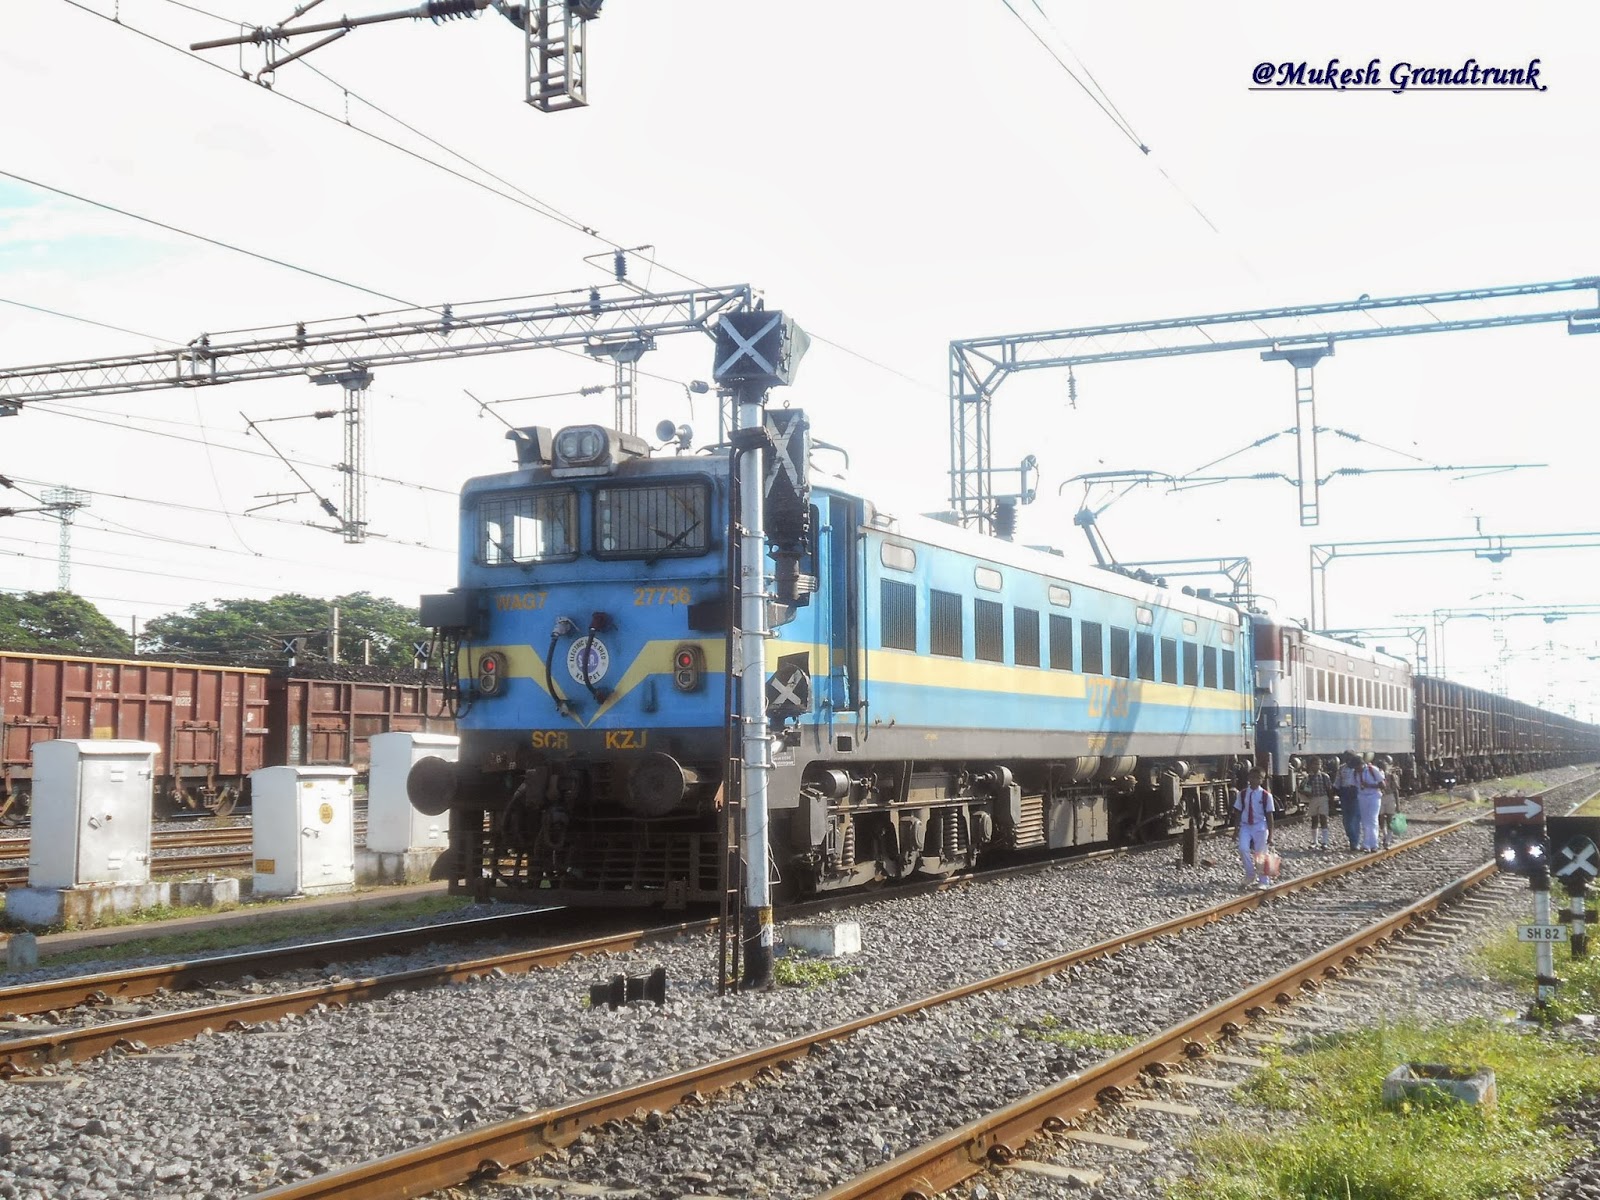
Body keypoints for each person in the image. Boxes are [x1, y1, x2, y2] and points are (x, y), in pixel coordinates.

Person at [1233, 768, 1277, 890]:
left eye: (1258, 778)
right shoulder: (1242, 794)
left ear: (1262, 780)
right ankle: (1250, 874)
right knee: (1243, 848)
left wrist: (1271, 835)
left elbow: (1269, 815)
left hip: (1260, 826)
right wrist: (1236, 830)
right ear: (1248, 778)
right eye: (1252, 777)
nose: (1254, 780)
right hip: (1246, 825)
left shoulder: (1266, 796)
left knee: (1260, 853)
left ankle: (1263, 880)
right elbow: (1238, 812)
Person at [1297, 757, 1333, 852]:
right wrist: (1306, 792)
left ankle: (1325, 842)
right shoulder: (1308, 777)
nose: (1316, 766)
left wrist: (1331, 800)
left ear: (1321, 765)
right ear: (1311, 765)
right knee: (1314, 819)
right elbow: (1300, 788)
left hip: (1323, 798)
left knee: (1323, 818)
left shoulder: (1325, 776)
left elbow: (1329, 789)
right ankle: (1315, 842)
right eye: (1314, 764)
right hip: (1312, 799)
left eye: (1318, 764)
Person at [1356, 753, 1386, 852]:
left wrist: (1369, 785)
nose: (1356, 769)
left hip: (1374, 796)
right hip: (1362, 797)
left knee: (1372, 820)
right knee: (1364, 821)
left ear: (1361, 764)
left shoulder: (1372, 770)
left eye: (1357, 767)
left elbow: (1382, 785)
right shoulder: (1355, 773)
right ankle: (1366, 844)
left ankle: (1374, 844)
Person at [1335, 752, 1361, 852]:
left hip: (1355, 792)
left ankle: (1355, 842)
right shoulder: (1342, 768)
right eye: (1346, 758)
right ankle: (1352, 838)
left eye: (1350, 758)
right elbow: (1337, 781)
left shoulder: (1358, 768)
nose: (1348, 760)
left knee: (1354, 818)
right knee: (1346, 819)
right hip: (1345, 793)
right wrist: (1335, 791)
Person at [1379, 756, 1402, 849]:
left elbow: (1396, 790)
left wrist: (1398, 804)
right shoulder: (1377, 776)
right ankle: (1385, 835)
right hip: (1380, 797)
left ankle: (1387, 839)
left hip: (1389, 797)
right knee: (1380, 818)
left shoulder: (1391, 776)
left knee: (1389, 819)